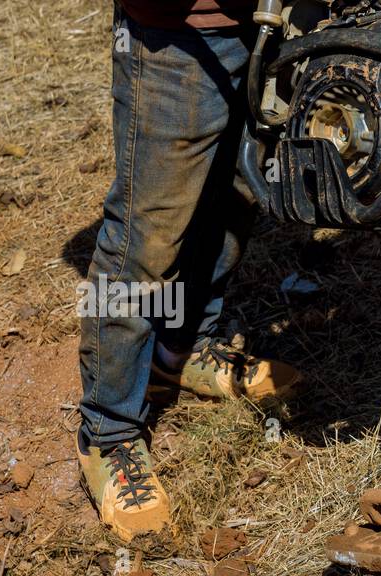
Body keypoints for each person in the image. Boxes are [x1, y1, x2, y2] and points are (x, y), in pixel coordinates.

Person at [76, 0, 299, 548]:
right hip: (177, 32)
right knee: (147, 234)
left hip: (277, 26)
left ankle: (183, 350)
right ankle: (109, 430)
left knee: (235, 195)